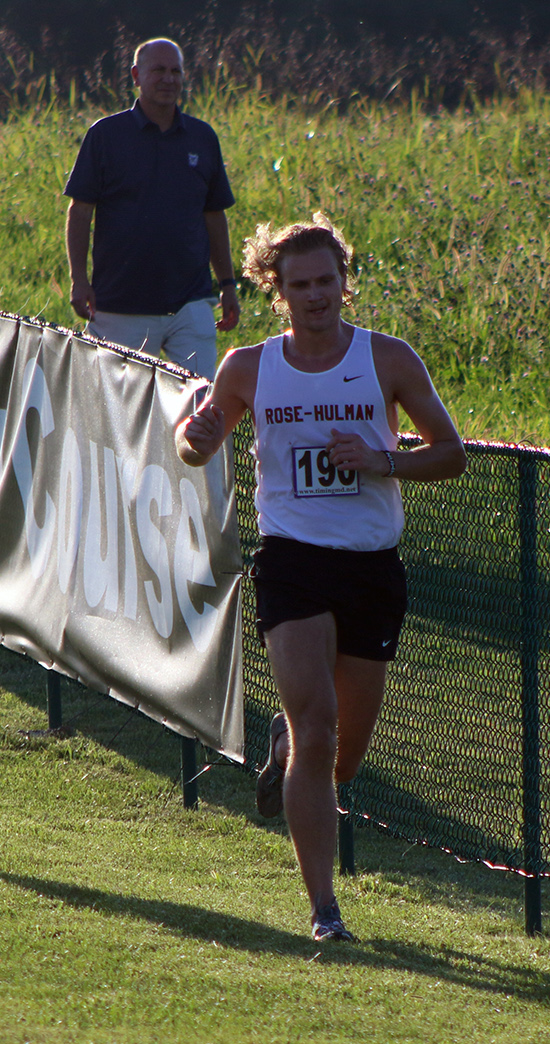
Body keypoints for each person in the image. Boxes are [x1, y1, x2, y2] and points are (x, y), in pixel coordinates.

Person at [175, 212, 466, 941]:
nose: (315, 296)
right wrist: (195, 436)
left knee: (342, 754)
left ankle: (288, 750)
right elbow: (197, 442)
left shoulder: (387, 360)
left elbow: (452, 453)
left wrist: (383, 461)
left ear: (345, 282)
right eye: (299, 284)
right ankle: (324, 910)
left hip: (370, 566)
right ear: (277, 290)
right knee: (319, 724)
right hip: (293, 562)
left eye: (326, 282)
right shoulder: (249, 367)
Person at [64, 36, 241, 379]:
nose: (168, 78)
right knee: (121, 415)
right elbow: (80, 212)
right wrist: (78, 280)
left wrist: (228, 284)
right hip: (119, 305)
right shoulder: (105, 136)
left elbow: (214, 215)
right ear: (136, 75)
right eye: (158, 70)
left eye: (176, 71)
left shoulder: (203, 138)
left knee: (200, 406)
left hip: (191, 302)